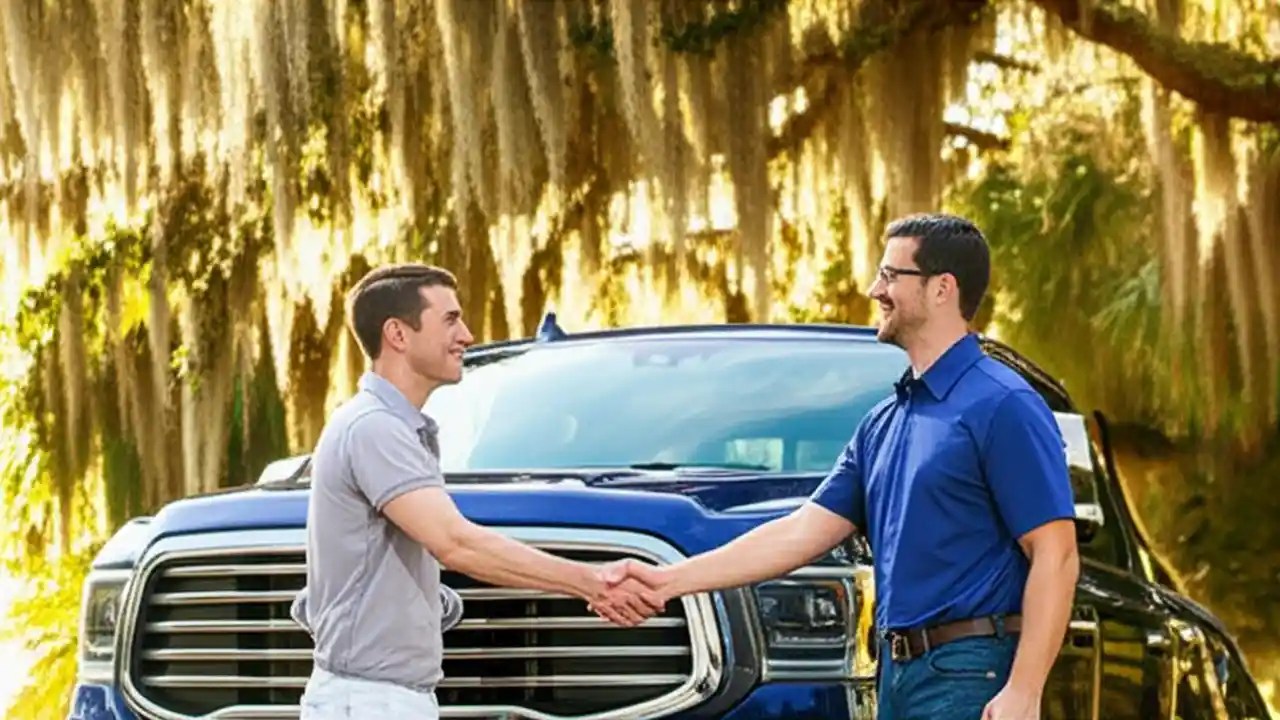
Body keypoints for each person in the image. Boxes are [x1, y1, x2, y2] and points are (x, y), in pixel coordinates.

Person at [605, 214, 1079, 720]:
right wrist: (669, 581)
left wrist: (1024, 690)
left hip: (971, 672)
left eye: (892, 275)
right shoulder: (883, 422)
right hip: (896, 674)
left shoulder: (1002, 403)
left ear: (943, 289)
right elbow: (799, 532)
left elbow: (1056, 553)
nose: (876, 289)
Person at [291, 263, 658, 719]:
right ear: (398, 335)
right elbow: (457, 544)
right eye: (450, 319)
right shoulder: (374, 429)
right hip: (369, 702)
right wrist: (591, 582)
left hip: (381, 697)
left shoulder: (393, 428)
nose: (466, 334)